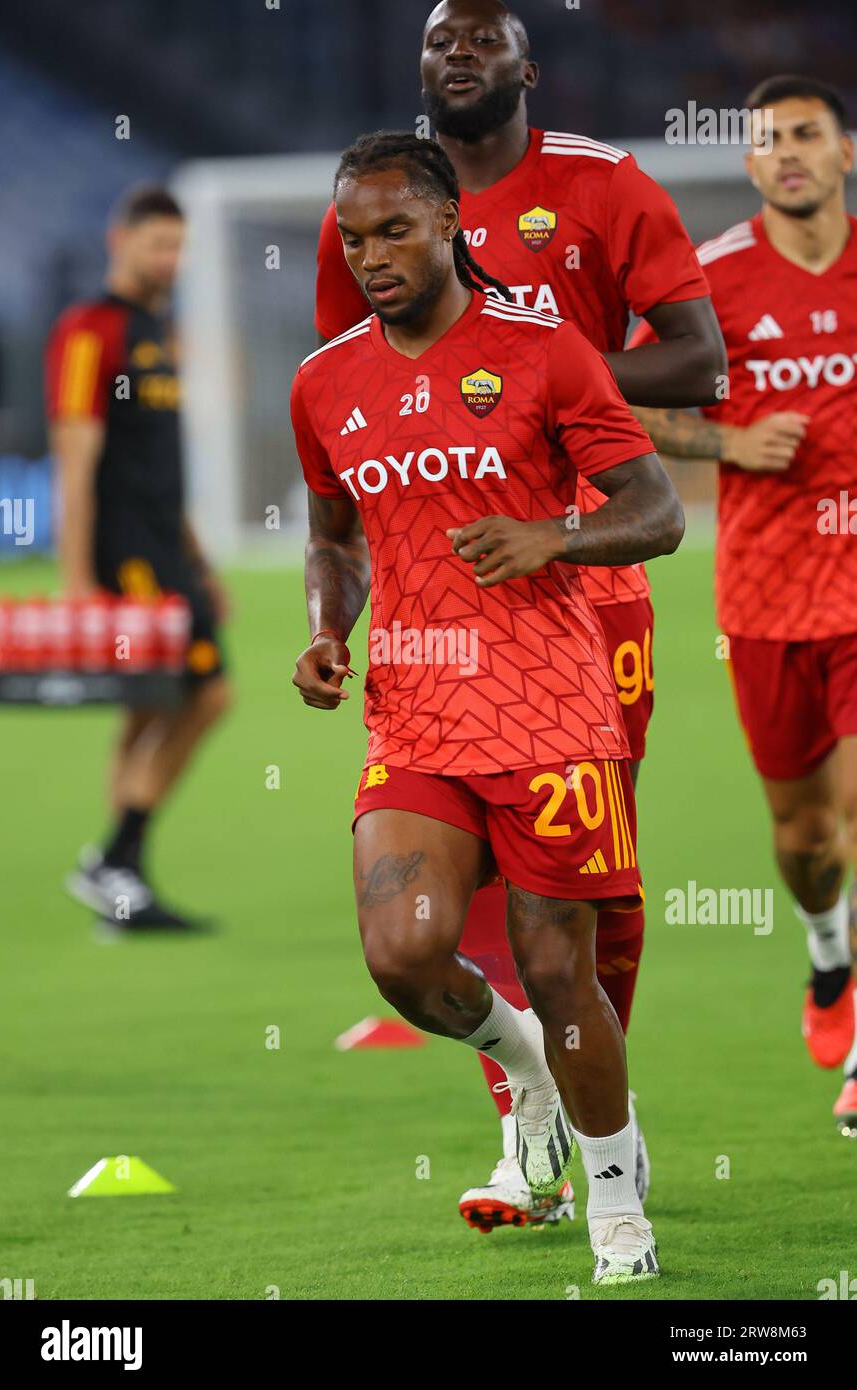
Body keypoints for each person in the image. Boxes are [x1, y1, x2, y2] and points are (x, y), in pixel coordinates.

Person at [312, 0, 725, 1228]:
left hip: (587, 578)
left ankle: (601, 1129)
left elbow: (699, 361)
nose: (457, 53)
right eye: (438, 36)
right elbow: (354, 389)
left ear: (526, 66)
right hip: (440, 606)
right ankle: (525, 1122)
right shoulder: (375, 205)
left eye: (482, 37)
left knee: (585, 892)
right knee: (446, 892)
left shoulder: (602, 185)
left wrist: (548, 375)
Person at [629, 76, 857, 1134]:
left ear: (844, 151)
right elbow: (615, 395)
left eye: (807, 133)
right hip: (767, 597)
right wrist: (726, 441)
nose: (789, 152)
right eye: (769, 139)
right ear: (749, 162)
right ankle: (827, 952)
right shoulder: (713, 278)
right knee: (805, 836)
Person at [45, 184, 232, 929]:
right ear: (117, 241)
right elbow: (74, 461)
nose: (171, 259)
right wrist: (75, 581)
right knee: (206, 695)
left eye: (178, 246)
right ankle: (115, 859)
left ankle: (120, 885)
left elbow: (161, 468)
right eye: (158, 243)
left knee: (149, 706)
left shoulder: (158, 331)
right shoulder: (89, 330)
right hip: (125, 555)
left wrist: (200, 564)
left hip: (166, 551)